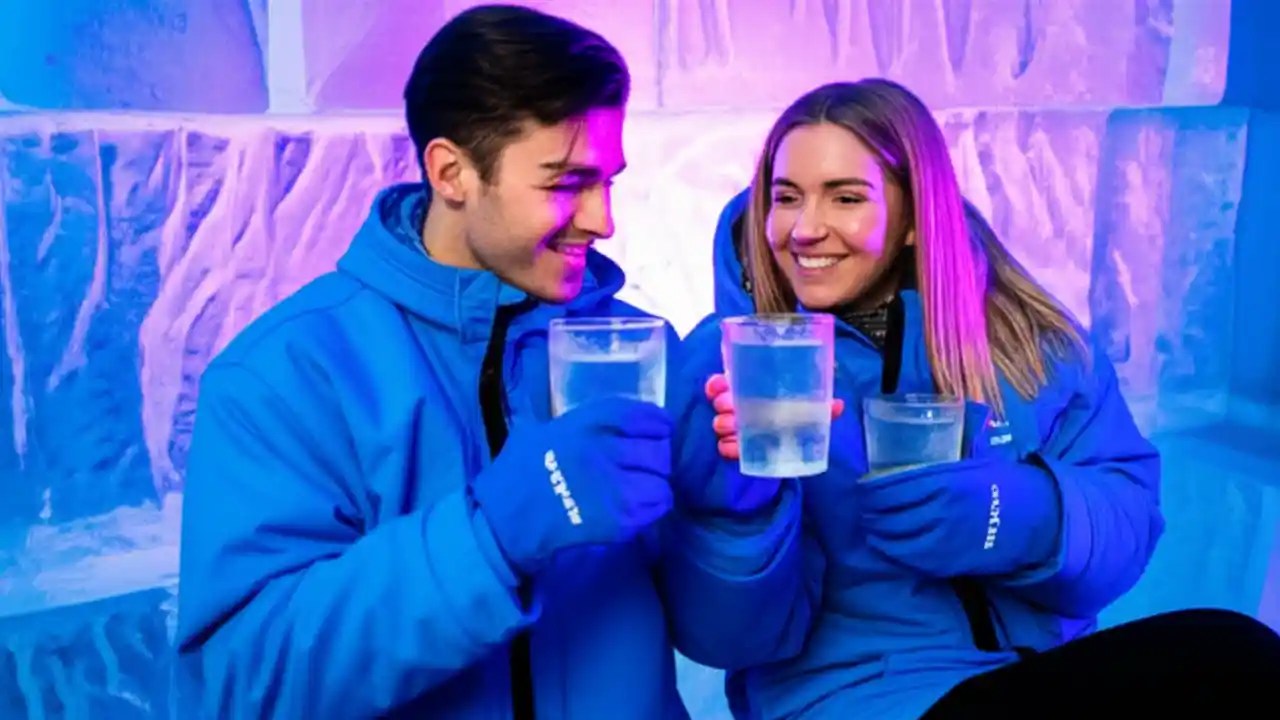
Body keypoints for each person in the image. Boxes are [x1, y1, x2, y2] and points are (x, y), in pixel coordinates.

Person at [667, 78, 1280, 719]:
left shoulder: (1025, 339)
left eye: (845, 198)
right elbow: (724, 641)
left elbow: (1127, 533)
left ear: (911, 219)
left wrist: (1011, 513)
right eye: (785, 197)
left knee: (1233, 653)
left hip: (1038, 683)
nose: (805, 228)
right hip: (855, 699)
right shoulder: (727, 363)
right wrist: (736, 511)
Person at [176, 5, 695, 718]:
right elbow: (240, 686)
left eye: (608, 179)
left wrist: (743, 515)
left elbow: (730, 637)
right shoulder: (281, 375)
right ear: (451, 172)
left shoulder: (642, 348)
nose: (603, 220)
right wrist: (491, 537)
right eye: (566, 183)